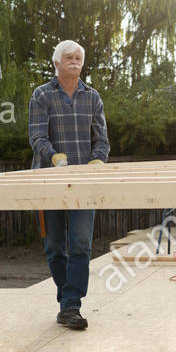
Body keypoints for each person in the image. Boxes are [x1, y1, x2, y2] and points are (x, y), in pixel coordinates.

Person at [29, 40, 110, 331]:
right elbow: (37, 138)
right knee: (54, 246)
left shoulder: (93, 97)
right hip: (48, 180)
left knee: (80, 244)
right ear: (56, 63)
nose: (75, 61)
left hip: (84, 184)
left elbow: (102, 139)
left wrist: (98, 160)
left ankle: (71, 305)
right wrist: (54, 157)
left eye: (78, 57)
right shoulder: (41, 95)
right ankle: (67, 299)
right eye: (68, 57)